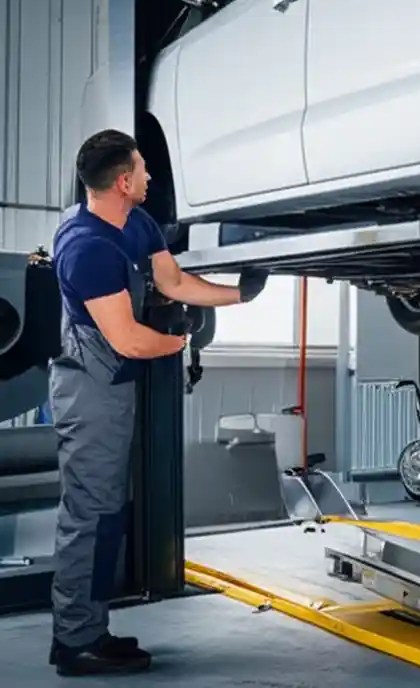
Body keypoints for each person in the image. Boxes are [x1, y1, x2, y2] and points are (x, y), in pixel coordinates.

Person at [47, 129, 268, 676]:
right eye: (143, 168)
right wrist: (180, 339)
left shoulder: (133, 222)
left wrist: (238, 294)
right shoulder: (86, 247)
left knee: (107, 510)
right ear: (124, 182)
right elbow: (128, 339)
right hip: (89, 388)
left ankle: (87, 629)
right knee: (91, 515)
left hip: (115, 382)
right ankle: (75, 642)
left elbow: (172, 280)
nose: (150, 175)